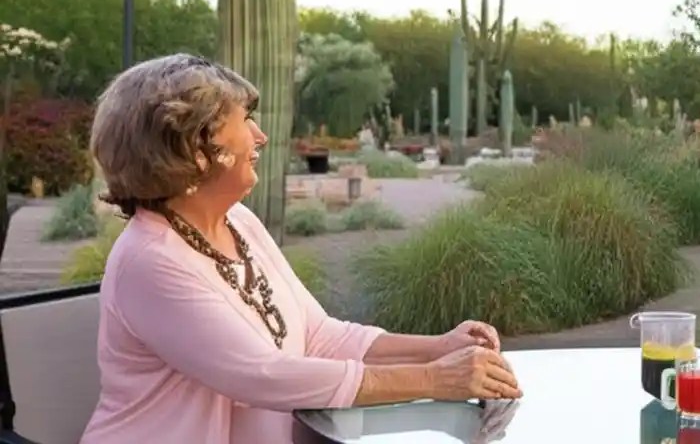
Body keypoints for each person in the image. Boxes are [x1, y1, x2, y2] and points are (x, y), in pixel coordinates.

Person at [81, 54, 522, 444]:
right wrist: (434, 379)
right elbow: (263, 375)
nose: (260, 136)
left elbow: (319, 337)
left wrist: (437, 348)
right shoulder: (150, 260)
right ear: (197, 148)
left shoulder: (239, 223)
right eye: (243, 121)